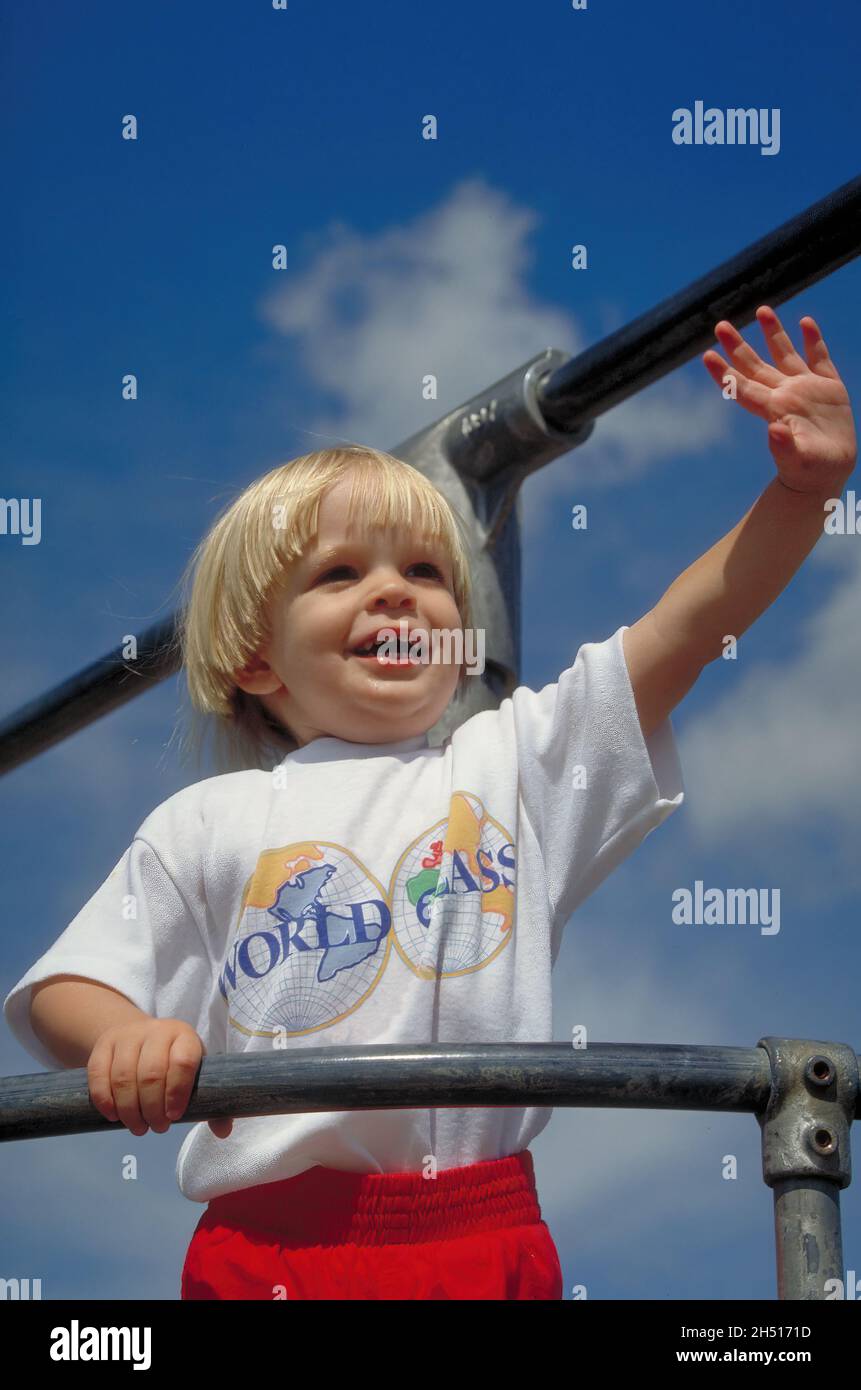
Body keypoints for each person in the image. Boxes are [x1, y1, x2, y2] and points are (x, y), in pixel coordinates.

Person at [4, 307, 855, 1300]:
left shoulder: (515, 766)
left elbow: (687, 625)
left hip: (480, 1230)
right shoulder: (210, 820)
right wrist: (119, 1037)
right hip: (268, 1246)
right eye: (339, 574)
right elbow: (66, 982)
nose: (397, 594)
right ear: (252, 655)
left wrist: (803, 491)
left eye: (424, 572)